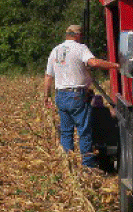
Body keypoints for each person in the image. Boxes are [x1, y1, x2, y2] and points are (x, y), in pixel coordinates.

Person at [44, 24, 119, 169]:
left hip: (60, 96)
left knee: (66, 132)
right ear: (78, 35)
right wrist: (115, 66)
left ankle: (68, 166)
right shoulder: (80, 48)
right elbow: (93, 62)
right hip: (76, 96)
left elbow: (48, 76)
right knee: (84, 131)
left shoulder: (55, 50)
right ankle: (87, 166)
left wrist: (46, 96)